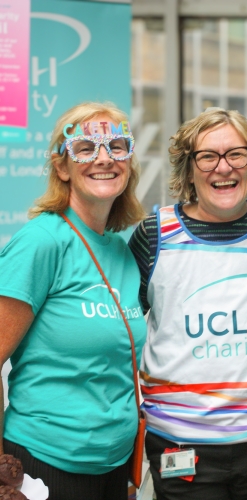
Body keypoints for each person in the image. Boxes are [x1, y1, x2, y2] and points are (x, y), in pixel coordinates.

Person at [128, 108, 247, 500]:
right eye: (208, 156)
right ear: (189, 169)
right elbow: (121, 330)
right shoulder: (155, 235)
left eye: (236, 154)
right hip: (179, 444)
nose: (223, 168)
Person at [0, 102, 147, 500]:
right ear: (62, 167)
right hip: (44, 464)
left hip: (114, 466)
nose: (104, 158)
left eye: (116, 146)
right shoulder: (41, 241)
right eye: (85, 148)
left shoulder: (121, 251)